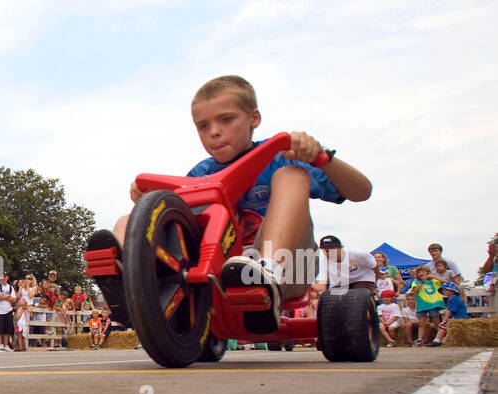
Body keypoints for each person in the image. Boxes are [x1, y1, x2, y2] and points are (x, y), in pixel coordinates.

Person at [98, 75, 372, 335]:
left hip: (290, 265)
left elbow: (362, 191)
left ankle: (266, 274)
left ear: (254, 118)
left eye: (226, 119)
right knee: (130, 220)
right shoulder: (200, 174)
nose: (214, 132)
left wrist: (321, 158)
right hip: (216, 273)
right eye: (203, 126)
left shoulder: (281, 156)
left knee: (291, 176)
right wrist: (148, 204)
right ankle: (133, 284)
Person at [408, 265, 445, 345]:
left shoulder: (433, 282)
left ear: (428, 273)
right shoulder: (415, 282)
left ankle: (440, 337)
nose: (421, 273)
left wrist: (433, 277)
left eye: (424, 272)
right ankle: (420, 339)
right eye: (419, 272)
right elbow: (416, 290)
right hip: (422, 304)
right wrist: (422, 282)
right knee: (421, 323)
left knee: (436, 322)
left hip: (433, 304)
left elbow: (445, 281)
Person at [433, 281, 469, 346]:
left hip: (458, 318)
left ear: (451, 291)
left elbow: (449, 311)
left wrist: (445, 320)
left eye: (445, 290)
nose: (443, 291)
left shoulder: (453, 299)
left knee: (443, 325)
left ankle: (437, 340)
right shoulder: (455, 298)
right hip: (459, 317)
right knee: (448, 326)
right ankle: (445, 340)